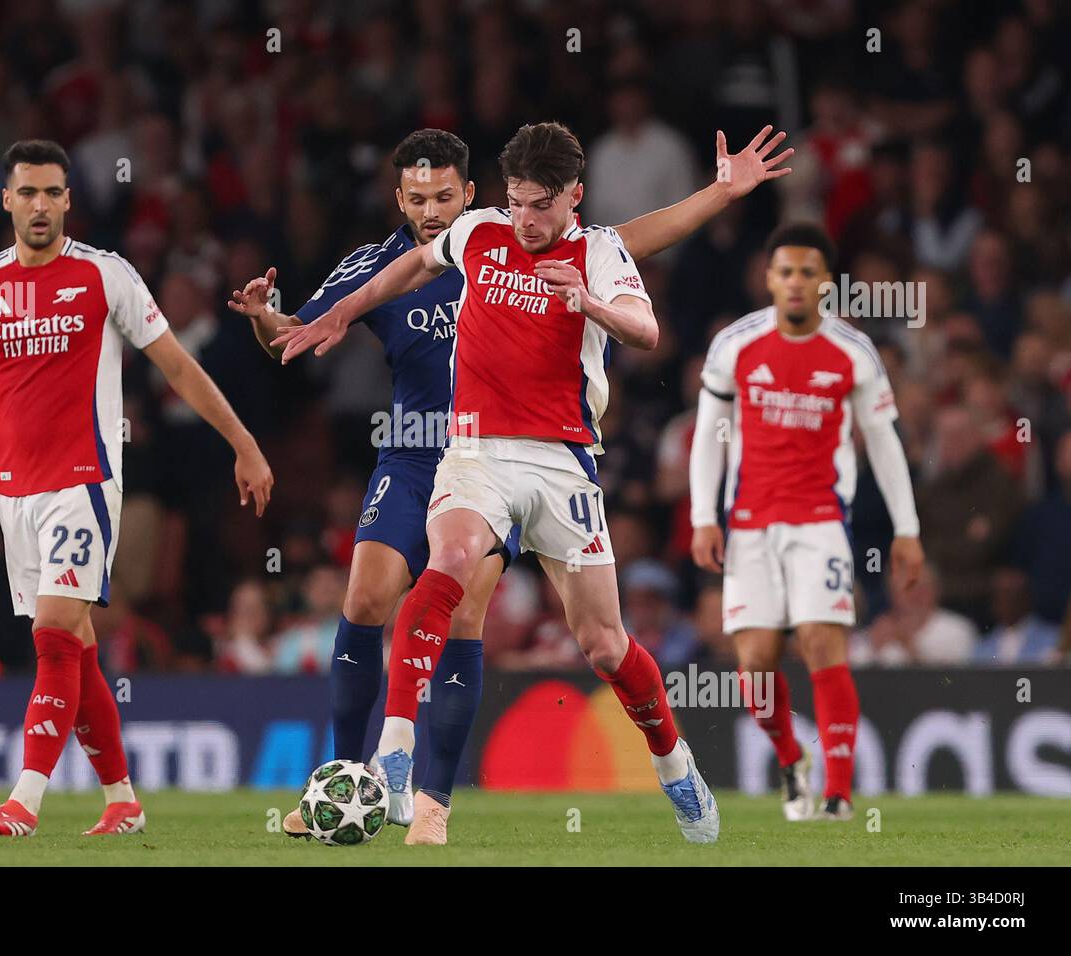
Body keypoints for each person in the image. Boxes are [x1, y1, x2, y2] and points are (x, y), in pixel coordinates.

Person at [234, 125, 791, 844]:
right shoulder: (478, 233)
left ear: (573, 199)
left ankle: (675, 763)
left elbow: (646, 329)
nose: (525, 219)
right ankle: (393, 756)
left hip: (563, 462)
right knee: (442, 565)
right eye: (518, 203)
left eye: (539, 206)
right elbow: (399, 274)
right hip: (471, 452)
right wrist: (338, 312)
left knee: (603, 644)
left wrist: (591, 298)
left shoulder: (597, 251)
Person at [0, 140, 273, 837]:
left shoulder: (106, 276)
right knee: (74, 643)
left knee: (52, 632)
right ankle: (122, 800)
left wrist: (245, 442)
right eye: (28, 193)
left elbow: (177, 366)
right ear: (6, 199)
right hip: (14, 493)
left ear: (69, 199)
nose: (41, 205)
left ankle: (24, 800)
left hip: (84, 483)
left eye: (53, 193)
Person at [688, 223, 925, 822]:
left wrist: (907, 528)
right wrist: (703, 516)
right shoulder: (735, 346)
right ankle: (793, 759)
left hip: (821, 517)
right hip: (749, 521)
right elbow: (709, 441)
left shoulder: (853, 352)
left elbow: (886, 443)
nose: (796, 282)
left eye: (808, 272)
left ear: (826, 282)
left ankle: (840, 792)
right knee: (756, 664)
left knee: (822, 642)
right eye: (785, 271)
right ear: (769, 278)